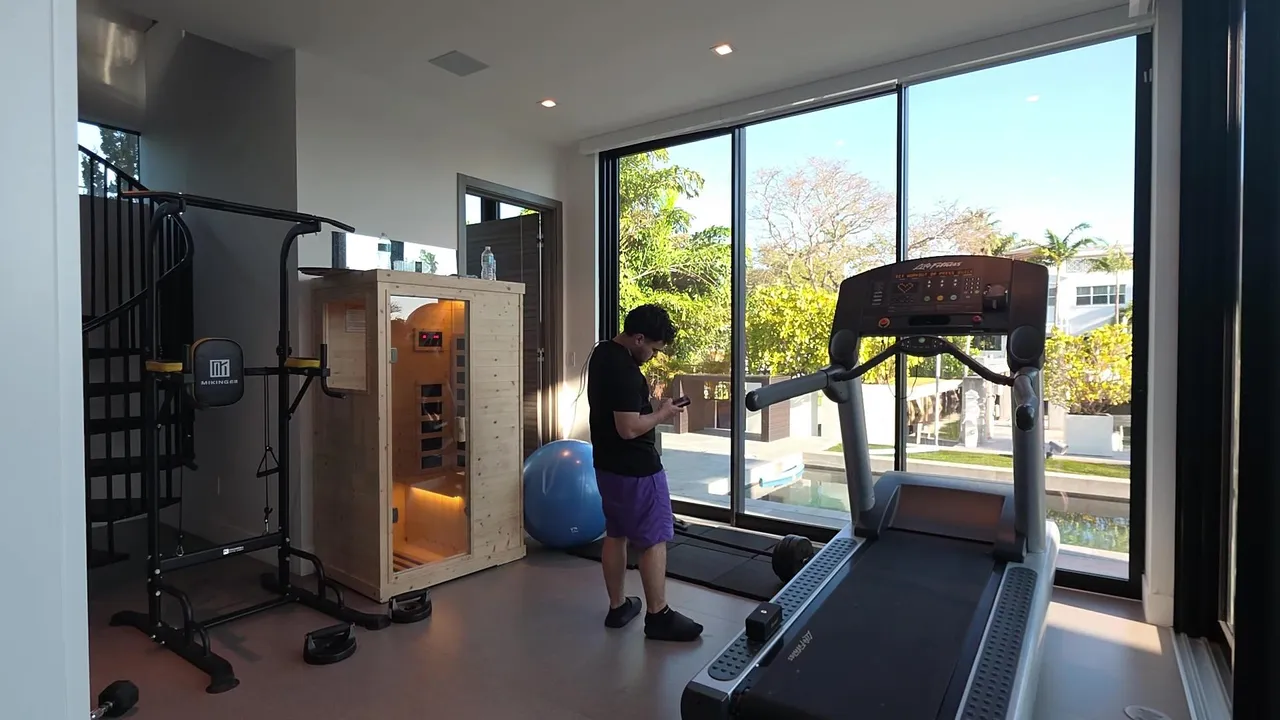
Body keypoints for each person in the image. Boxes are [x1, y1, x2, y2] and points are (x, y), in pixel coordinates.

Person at [587, 304, 704, 642]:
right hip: (637, 471)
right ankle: (658, 615)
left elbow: (618, 414)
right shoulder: (626, 371)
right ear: (638, 338)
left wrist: (653, 409)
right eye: (653, 348)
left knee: (616, 533)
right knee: (653, 540)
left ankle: (618, 607)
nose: (653, 356)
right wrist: (663, 414)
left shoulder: (602, 353)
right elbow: (627, 428)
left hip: (607, 465)